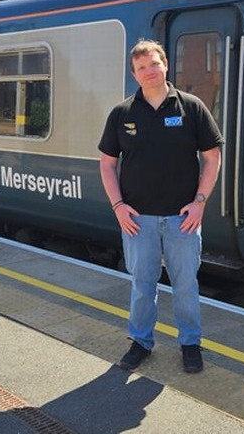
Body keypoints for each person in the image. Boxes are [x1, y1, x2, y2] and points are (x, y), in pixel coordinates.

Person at [98, 39, 223, 373]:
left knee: (185, 286)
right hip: (138, 220)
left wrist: (200, 203)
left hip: (183, 219)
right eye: (141, 68)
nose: (149, 72)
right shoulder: (122, 114)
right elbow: (107, 164)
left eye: (154, 64)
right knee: (142, 285)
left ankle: (190, 344)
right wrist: (118, 206)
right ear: (134, 74)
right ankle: (140, 342)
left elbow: (212, 157)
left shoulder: (191, 108)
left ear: (166, 65)